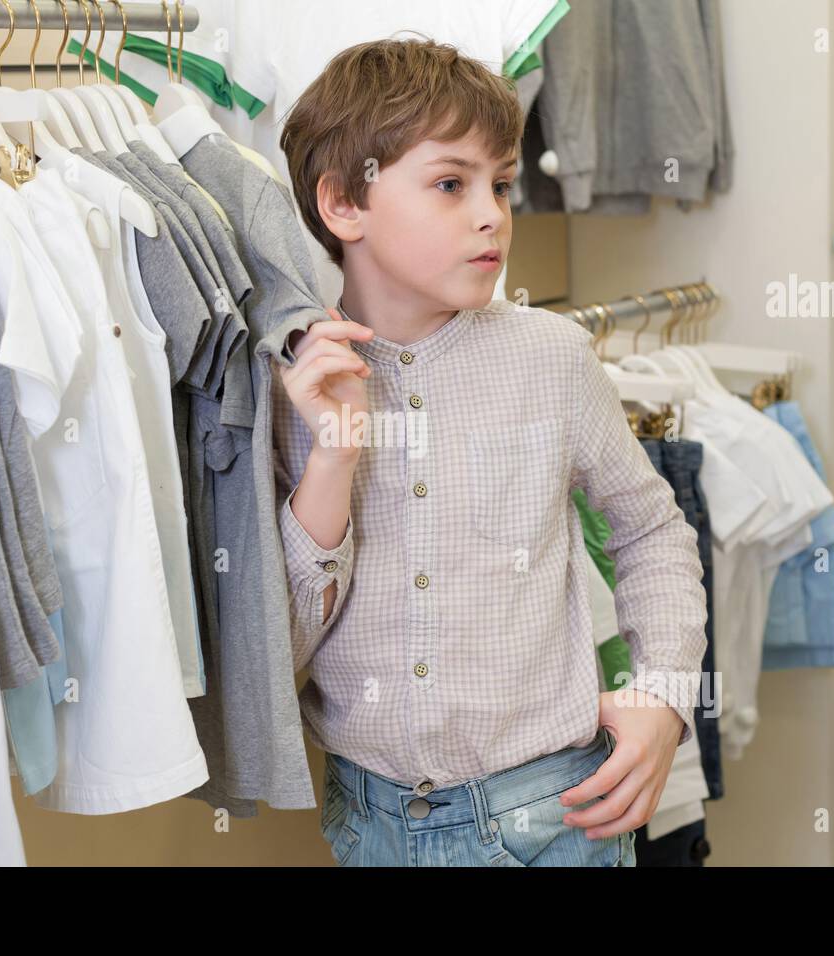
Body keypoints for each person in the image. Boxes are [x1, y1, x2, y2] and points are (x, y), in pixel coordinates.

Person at [273, 37, 709, 867]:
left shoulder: (552, 357)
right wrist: (332, 462)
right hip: (367, 828)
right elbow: (277, 651)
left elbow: (652, 531)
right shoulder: (286, 390)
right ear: (343, 204)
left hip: (555, 820)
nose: (492, 215)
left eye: (501, 185)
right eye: (451, 184)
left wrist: (663, 696)